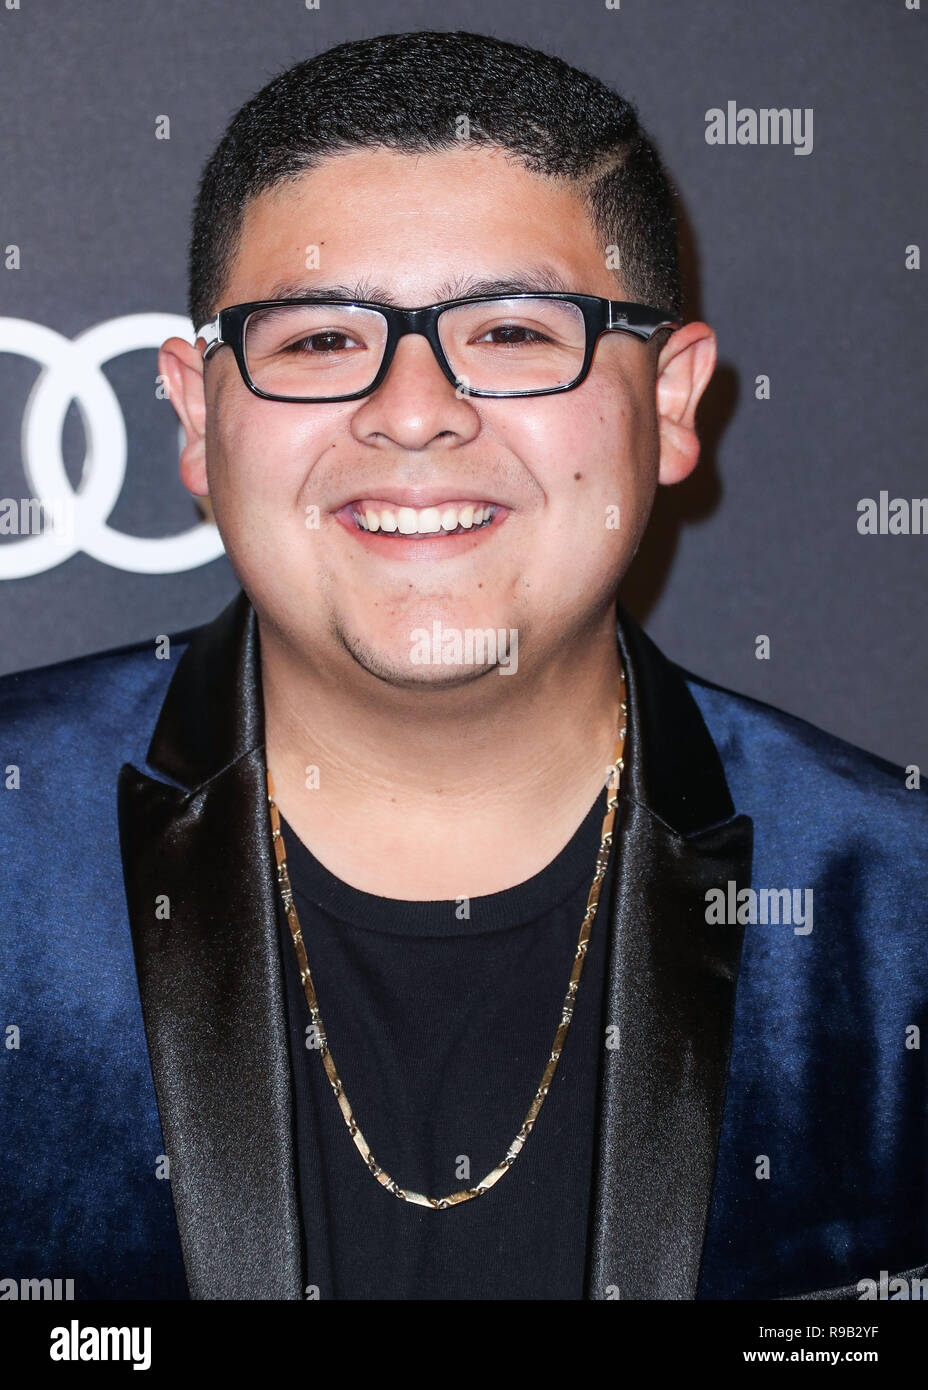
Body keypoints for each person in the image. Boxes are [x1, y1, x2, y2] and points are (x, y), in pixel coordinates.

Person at [1, 29, 925, 1303]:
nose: (414, 408)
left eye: (510, 330)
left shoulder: (895, 910)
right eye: (320, 339)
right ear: (196, 416)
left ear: (669, 402)